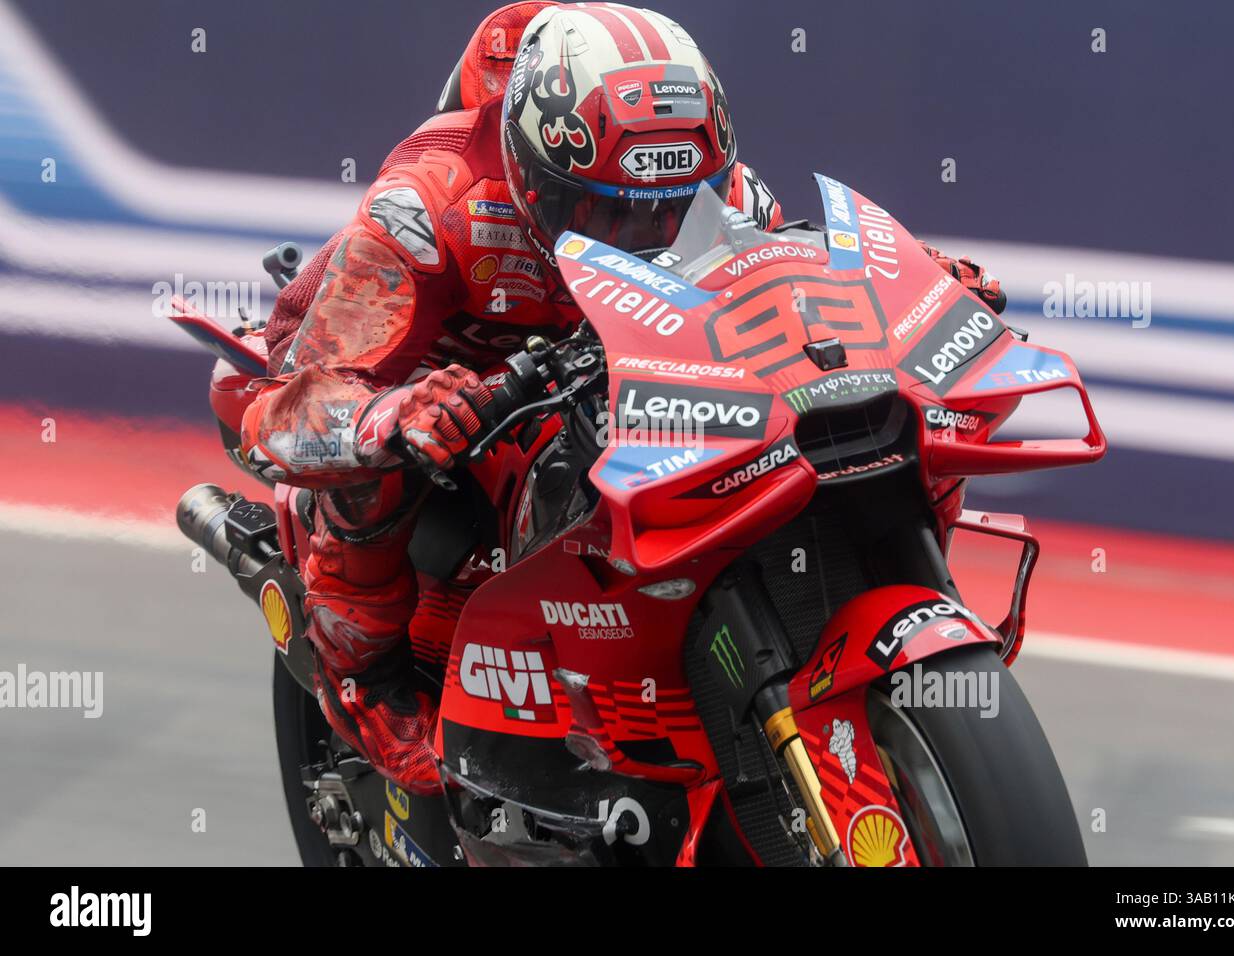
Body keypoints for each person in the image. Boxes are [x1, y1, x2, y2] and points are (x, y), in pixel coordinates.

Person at [240, 1, 1006, 794]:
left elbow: (796, 290)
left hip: (626, 388)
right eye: (610, 212)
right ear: (537, 177)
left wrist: (911, 287)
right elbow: (291, 400)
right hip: (455, 403)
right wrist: (391, 414)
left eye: (677, 211)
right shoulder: (432, 203)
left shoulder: (724, 192)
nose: (651, 233)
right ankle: (361, 670)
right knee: (372, 465)